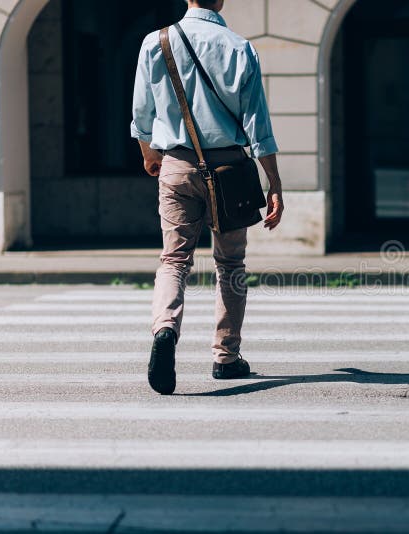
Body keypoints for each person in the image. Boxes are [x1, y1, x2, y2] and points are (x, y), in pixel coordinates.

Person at [130, 0, 284, 394]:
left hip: (176, 165)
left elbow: (142, 115)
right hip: (230, 171)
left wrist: (152, 157)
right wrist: (274, 182)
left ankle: (165, 329)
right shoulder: (239, 47)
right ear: (221, 0)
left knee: (174, 259)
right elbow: (257, 123)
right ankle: (226, 357)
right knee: (230, 262)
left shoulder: (155, 43)